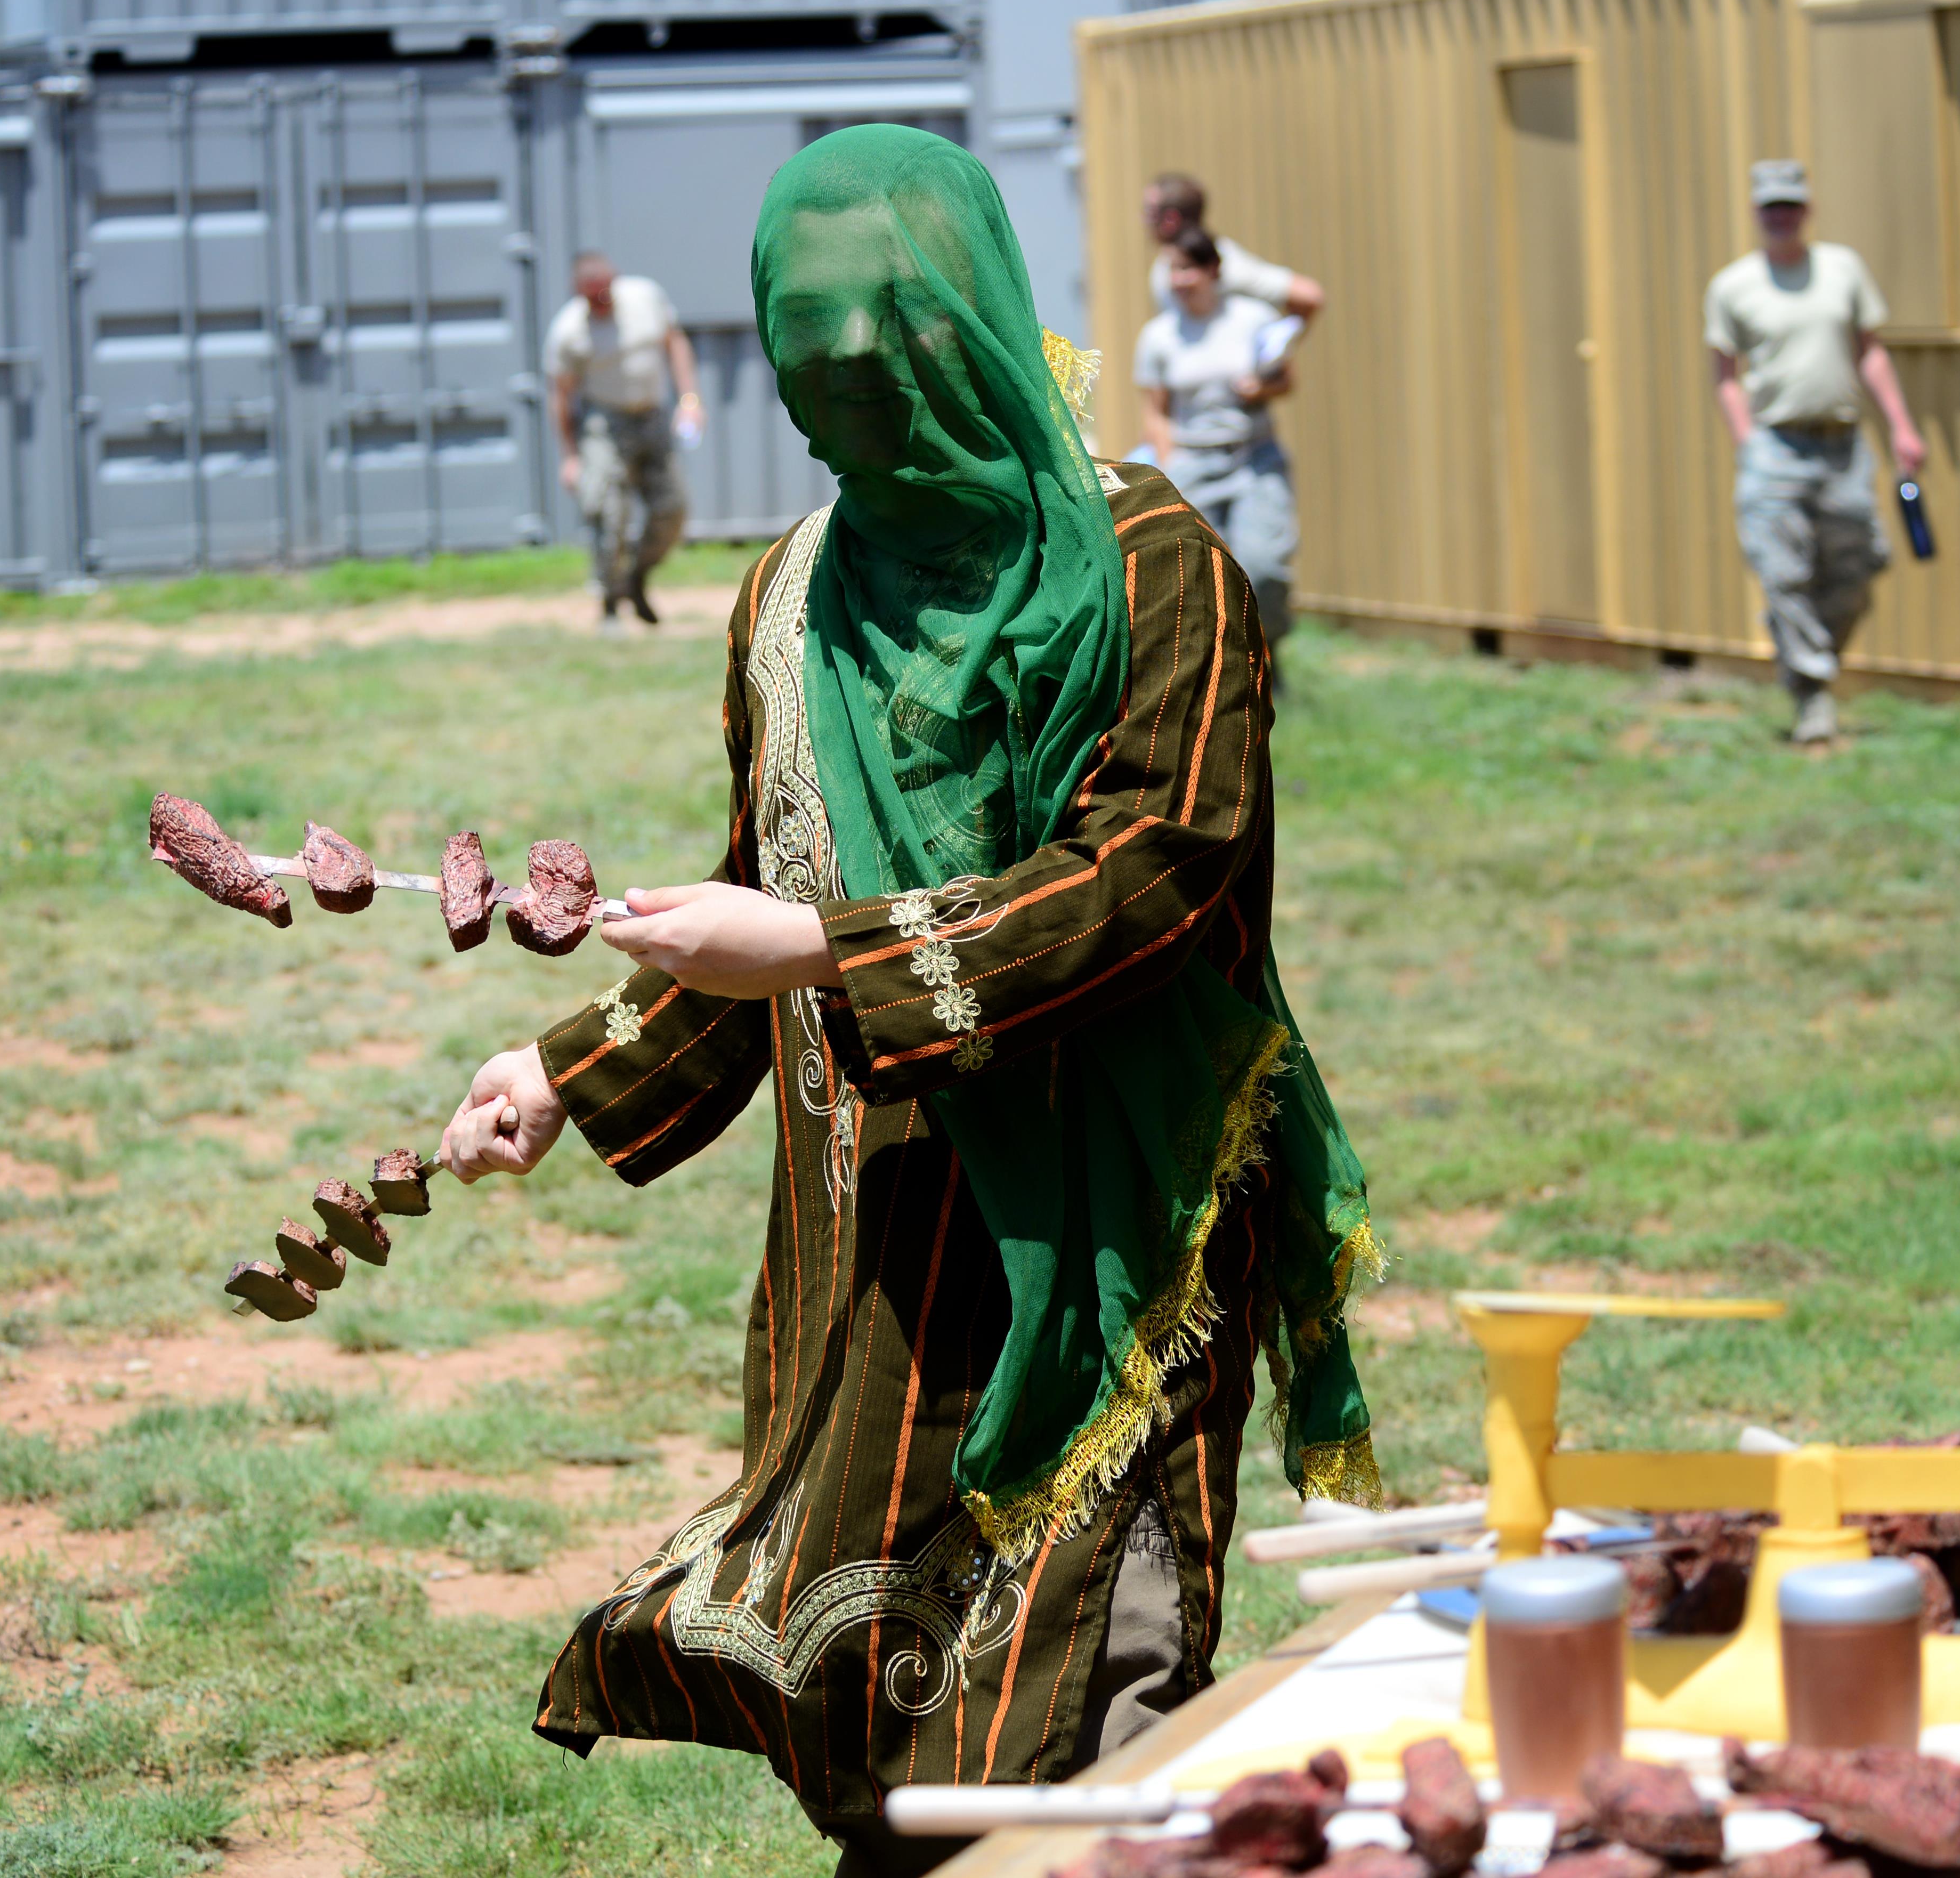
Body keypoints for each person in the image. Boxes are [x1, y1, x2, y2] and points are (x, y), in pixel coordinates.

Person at [438, 126, 1380, 1878]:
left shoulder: (1152, 564)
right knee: (885, 1696)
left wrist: (817, 953)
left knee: (1100, 1687)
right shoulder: (790, 599)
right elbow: (761, 888)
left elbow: (1153, 873)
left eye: (874, 374)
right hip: (874, 1254)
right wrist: (566, 1069)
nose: (834, 416)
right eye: (804, 378)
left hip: (1121, 1229)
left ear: (968, 331)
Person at [1703, 160, 1928, 744]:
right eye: (1770, 207)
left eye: (1791, 206)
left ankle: (1798, 643)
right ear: (1756, 213)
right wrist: (1747, 442)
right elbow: (1725, 373)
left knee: (1859, 567)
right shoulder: (1734, 286)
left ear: (1808, 210)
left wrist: (1902, 426)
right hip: (1776, 444)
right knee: (1782, 571)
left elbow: (1870, 352)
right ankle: (1812, 695)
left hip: (1843, 445)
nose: (1781, 216)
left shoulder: (1841, 270)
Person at [1135, 224, 1302, 675]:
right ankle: (1216, 674)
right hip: (1192, 462)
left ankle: (1270, 655)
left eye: (1188, 269)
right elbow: (1156, 411)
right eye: (1172, 270)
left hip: (1254, 458)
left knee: (1263, 569)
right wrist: (1168, 465)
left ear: (1213, 270)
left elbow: (1286, 379)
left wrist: (1261, 387)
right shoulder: (1159, 336)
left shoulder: (1253, 320)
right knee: (1192, 575)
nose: (1179, 280)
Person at [546, 250, 703, 629]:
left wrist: (690, 399)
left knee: (672, 510)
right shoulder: (569, 331)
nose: (601, 302)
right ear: (579, 293)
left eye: (605, 293)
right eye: (591, 296)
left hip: (651, 417)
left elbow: (675, 343)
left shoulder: (645, 297)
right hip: (606, 425)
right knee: (608, 513)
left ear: (614, 282)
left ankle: (636, 578)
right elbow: (561, 397)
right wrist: (570, 456)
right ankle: (609, 602)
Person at [1143, 172, 1325, 323]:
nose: (1143, 219)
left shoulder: (1221, 264)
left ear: (1170, 220)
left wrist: (1271, 355)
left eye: (1149, 211)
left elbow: (1309, 295)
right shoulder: (1163, 265)